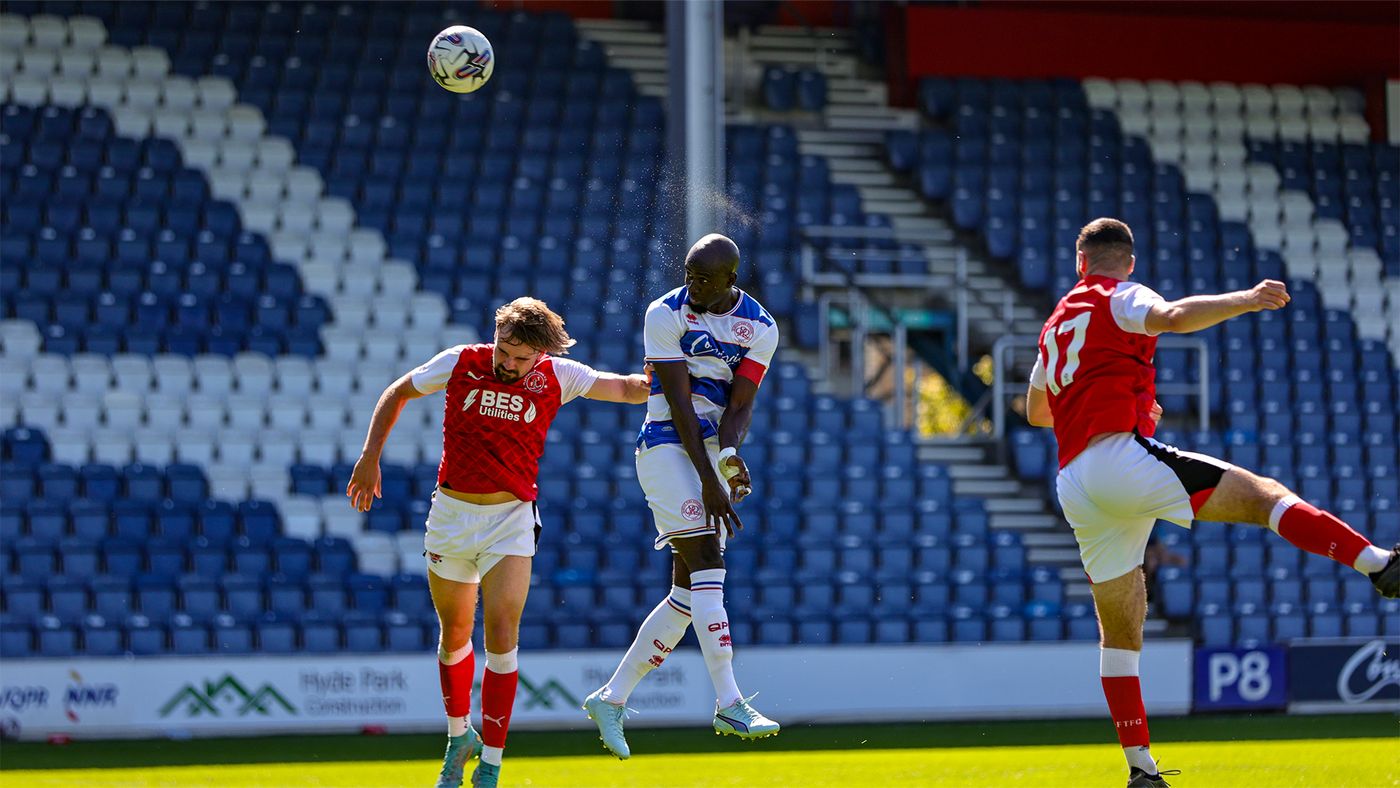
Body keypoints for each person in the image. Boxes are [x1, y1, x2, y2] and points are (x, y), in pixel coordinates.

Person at [1024, 218, 1400, 788]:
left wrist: (1102, 398)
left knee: (1119, 633)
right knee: (1263, 498)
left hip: (1074, 481)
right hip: (1118, 458)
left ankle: (1140, 769)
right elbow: (1173, 317)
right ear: (1127, 262)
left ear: (1080, 263)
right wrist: (1247, 299)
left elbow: (1035, 412)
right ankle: (1379, 563)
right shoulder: (1121, 294)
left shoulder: (1054, 326)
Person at [346, 297, 650, 788]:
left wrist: (664, 375)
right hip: (450, 515)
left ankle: (490, 764)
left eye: (520, 357)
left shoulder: (559, 375)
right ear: (496, 338)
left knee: (502, 636)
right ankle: (456, 737)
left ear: (541, 354)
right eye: (504, 352)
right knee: (454, 635)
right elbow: (397, 392)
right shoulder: (461, 361)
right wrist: (369, 456)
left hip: (510, 520)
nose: (508, 364)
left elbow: (628, 389)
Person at [582, 233, 781, 759]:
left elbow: (739, 408)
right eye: (689, 273)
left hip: (707, 454)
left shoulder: (760, 327)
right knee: (709, 561)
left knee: (688, 595)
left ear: (730, 281)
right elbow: (679, 406)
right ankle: (729, 701)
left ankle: (611, 697)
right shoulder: (664, 313)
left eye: (704, 279)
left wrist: (729, 459)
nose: (692, 285)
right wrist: (712, 478)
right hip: (667, 446)